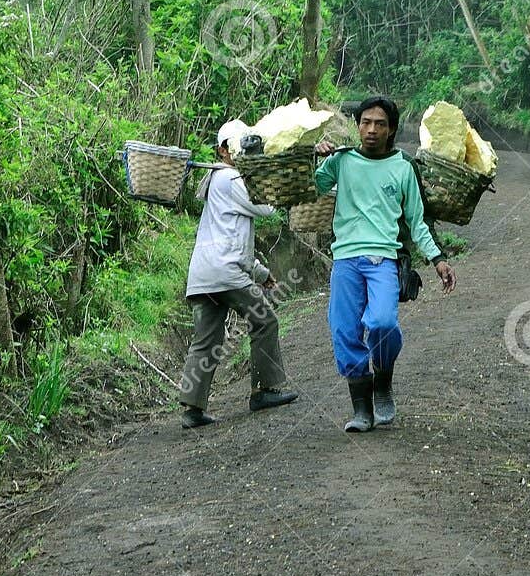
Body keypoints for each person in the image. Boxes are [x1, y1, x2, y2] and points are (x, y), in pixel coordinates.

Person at [313, 96, 457, 433]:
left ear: (391, 129)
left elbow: (417, 221)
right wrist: (313, 156)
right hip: (346, 258)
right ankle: (361, 409)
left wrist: (438, 259)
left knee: (382, 322)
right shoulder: (341, 161)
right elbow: (309, 187)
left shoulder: (403, 167)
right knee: (344, 331)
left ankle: (384, 377)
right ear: (357, 125)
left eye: (380, 123)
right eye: (365, 122)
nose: (371, 129)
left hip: (384, 259)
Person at [175, 119, 299, 429]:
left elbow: (233, 240)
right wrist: (261, 173)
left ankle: (192, 407)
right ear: (223, 151)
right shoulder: (230, 178)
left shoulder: (217, 181)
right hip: (226, 272)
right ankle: (264, 390)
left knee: (207, 339)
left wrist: (260, 272)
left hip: (204, 275)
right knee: (265, 320)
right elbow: (267, 208)